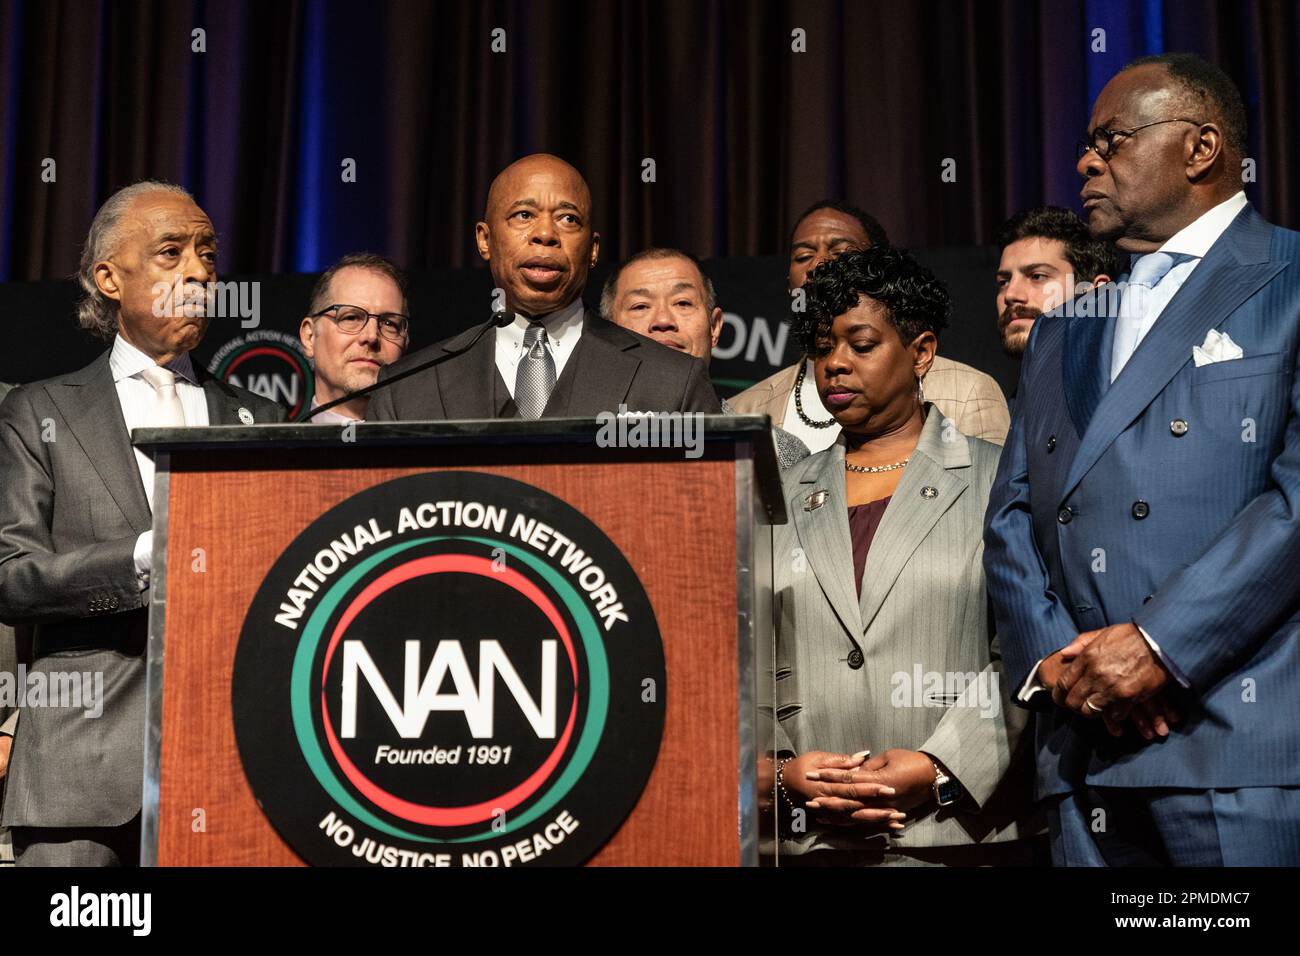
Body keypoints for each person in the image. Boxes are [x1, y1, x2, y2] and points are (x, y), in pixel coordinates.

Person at [984, 53, 1300, 866]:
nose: (1088, 161)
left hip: (1233, 739)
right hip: (1082, 757)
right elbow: (1013, 516)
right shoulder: (1065, 327)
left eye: (1112, 139)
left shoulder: (1292, 279)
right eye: (1088, 144)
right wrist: (1060, 664)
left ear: (1201, 149)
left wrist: (1158, 646)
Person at [0, 180, 285, 866]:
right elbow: (12, 578)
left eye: (208, 256)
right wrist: (140, 556)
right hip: (81, 775)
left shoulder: (263, 421)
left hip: (231, 769)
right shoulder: (41, 412)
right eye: (171, 252)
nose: (197, 272)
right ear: (108, 276)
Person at [772, 246, 1037, 866]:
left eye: (860, 345)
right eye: (820, 346)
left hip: (960, 833)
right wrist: (783, 773)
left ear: (921, 352)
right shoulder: (775, 496)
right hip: (812, 840)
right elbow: (745, 651)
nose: (834, 363)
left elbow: (1027, 650)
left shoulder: (999, 480)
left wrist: (940, 765)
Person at [368, 154, 720, 420]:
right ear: (485, 239)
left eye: (568, 219)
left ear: (593, 249)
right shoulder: (405, 391)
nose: (546, 234)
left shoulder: (674, 381)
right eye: (523, 215)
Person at [729, 200, 1011, 447]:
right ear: (789, 285)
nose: (818, 266)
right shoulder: (744, 409)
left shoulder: (968, 394)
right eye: (803, 257)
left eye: (840, 252)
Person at [601, 247, 808, 468]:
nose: (663, 320)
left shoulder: (776, 452)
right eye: (640, 306)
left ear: (715, 327)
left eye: (683, 303)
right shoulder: (576, 443)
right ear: (609, 333)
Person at [995, 206, 1122, 359]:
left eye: (1037, 276)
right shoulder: (986, 382)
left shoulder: (1125, 377)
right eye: (1004, 282)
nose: (1010, 294)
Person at [300, 253, 411, 423]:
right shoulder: (275, 448)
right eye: (351, 318)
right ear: (309, 337)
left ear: (405, 342)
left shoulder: (436, 448)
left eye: (389, 323)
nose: (372, 336)